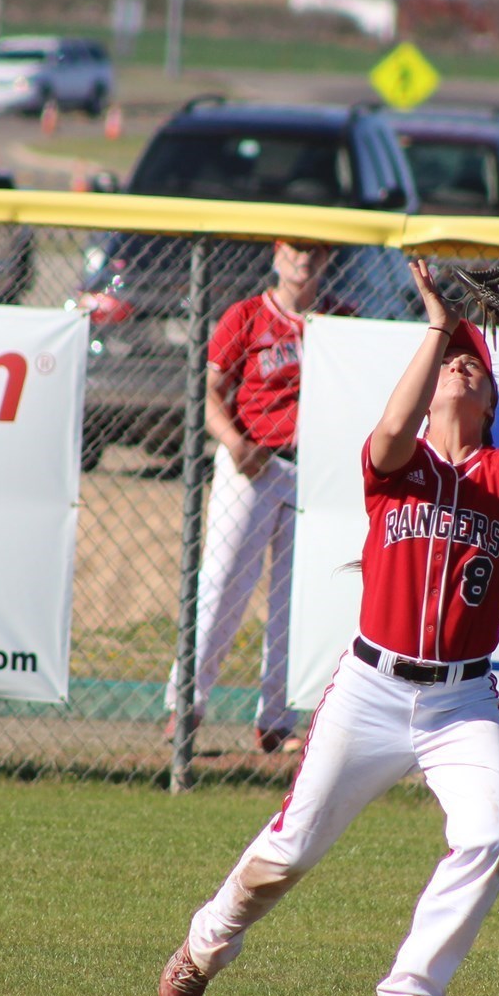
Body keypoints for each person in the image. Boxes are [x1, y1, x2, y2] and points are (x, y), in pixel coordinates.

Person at [157, 256, 499, 996]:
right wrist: (439, 327)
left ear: (491, 397)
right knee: (287, 854)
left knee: (494, 837)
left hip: (462, 700)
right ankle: (205, 941)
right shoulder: (399, 467)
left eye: (472, 366)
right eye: (449, 361)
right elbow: (388, 430)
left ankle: (407, 988)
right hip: (371, 688)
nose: (458, 369)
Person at [166, 238, 345, 755]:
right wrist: (235, 442)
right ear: (275, 254)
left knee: (295, 601)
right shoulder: (246, 315)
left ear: (328, 260)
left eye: (315, 251)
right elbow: (208, 392)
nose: (303, 259)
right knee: (222, 586)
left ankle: (276, 721)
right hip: (252, 463)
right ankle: (185, 707)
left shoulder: (342, 320)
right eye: (294, 248)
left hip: (315, 473)